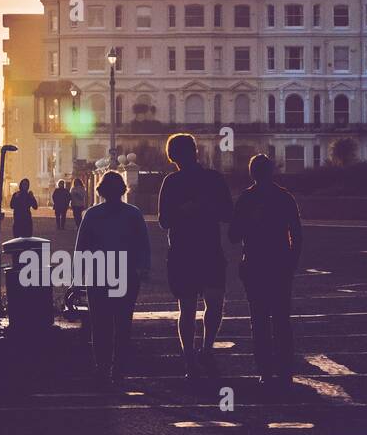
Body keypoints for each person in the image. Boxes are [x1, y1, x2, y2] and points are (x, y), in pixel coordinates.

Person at [158, 132, 235, 381]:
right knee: (207, 304)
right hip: (202, 250)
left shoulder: (173, 182)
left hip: (186, 251)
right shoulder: (210, 179)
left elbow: (164, 221)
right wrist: (187, 209)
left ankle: (196, 355)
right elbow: (164, 219)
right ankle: (199, 353)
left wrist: (199, 209)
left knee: (192, 307)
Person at [229, 154, 303, 389]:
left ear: (252, 173)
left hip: (255, 264)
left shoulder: (246, 198)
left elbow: (233, 235)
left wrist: (249, 222)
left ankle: (265, 370)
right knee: (281, 318)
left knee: (259, 319)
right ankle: (284, 370)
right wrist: (292, 261)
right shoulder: (284, 197)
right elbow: (297, 233)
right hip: (279, 264)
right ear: (272, 172)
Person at [75, 171, 149, 387]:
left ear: (101, 191)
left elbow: (82, 247)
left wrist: (77, 277)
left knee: (100, 324)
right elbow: (143, 244)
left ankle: (102, 367)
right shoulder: (133, 214)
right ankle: (118, 368)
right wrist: (142, 268)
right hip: (125, 275)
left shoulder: (91, 214)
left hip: (98, 275)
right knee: (123, 324)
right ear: (122, 190)